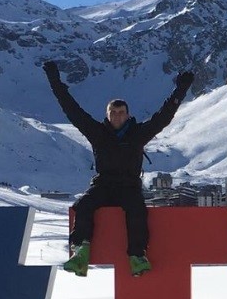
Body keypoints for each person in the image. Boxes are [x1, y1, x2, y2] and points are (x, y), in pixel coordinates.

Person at [44, 60, 193, 277]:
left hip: (129, 186)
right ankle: (80, 253)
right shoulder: (97, 133)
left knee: (137, 210)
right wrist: (54, 81)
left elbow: (163, 117)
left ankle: (137, 256)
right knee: (83, 205)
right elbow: (72, 110)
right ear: (107, 115)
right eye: (113, 112)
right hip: (103, 184)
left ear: (128, 115)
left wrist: (181, 89)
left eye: (121, 112)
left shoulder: (138, 134)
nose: (117, 116)